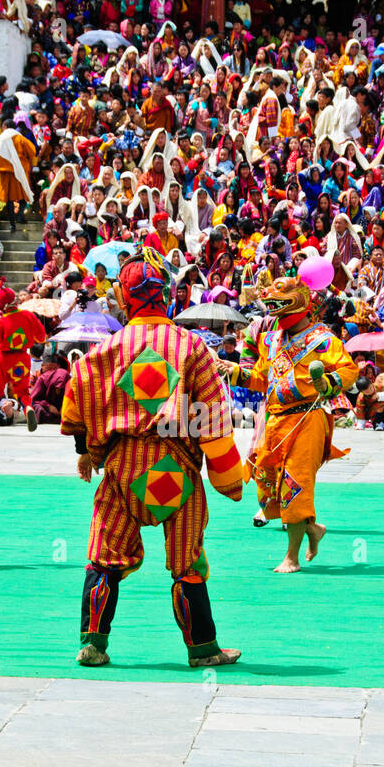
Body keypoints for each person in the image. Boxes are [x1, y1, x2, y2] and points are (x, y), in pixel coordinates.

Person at [61, 249, 245, 668]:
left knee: (103, 557)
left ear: (124, 300)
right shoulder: (191, 346)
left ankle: (93, 645)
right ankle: (203, 650)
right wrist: (228, 478)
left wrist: (85, 453)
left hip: (121, 469)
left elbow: (77, 396)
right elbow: (213, 419)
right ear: (165, 296)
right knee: (187, 562)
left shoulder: (106, 350)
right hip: (175, 470)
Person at [220, 277, 358, 573]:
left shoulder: (322, 340)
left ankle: (291, 557)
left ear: (301, 299)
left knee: (295, 484)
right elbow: (263, 379)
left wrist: (327, 383)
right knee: (266, 482)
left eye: (280, 293)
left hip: (307, 418)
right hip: (275, 421)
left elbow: (349, 369)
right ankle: (312, 529)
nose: (272, 300)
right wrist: (235, 372)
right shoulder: (271, 340)